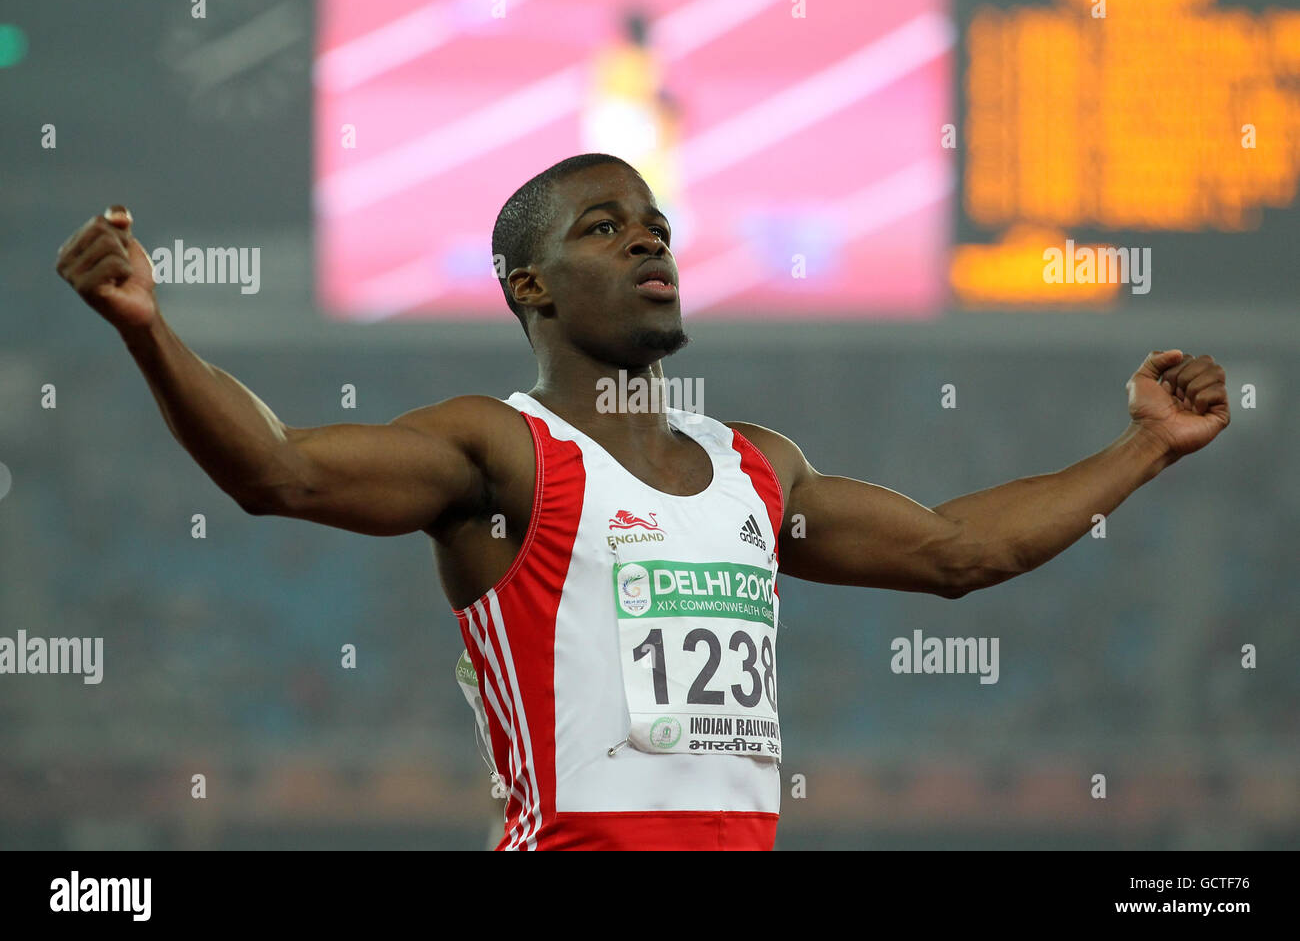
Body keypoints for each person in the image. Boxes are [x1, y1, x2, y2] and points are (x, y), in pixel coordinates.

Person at [53, 152, 1231, 851]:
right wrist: (155, 335)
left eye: (656, 228)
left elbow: (958, 550)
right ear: (530, 287)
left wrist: (1149, 447)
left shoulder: (758, 467)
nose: (646, 242)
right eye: (603, 230)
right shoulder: (500, 453)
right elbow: (280, 471)